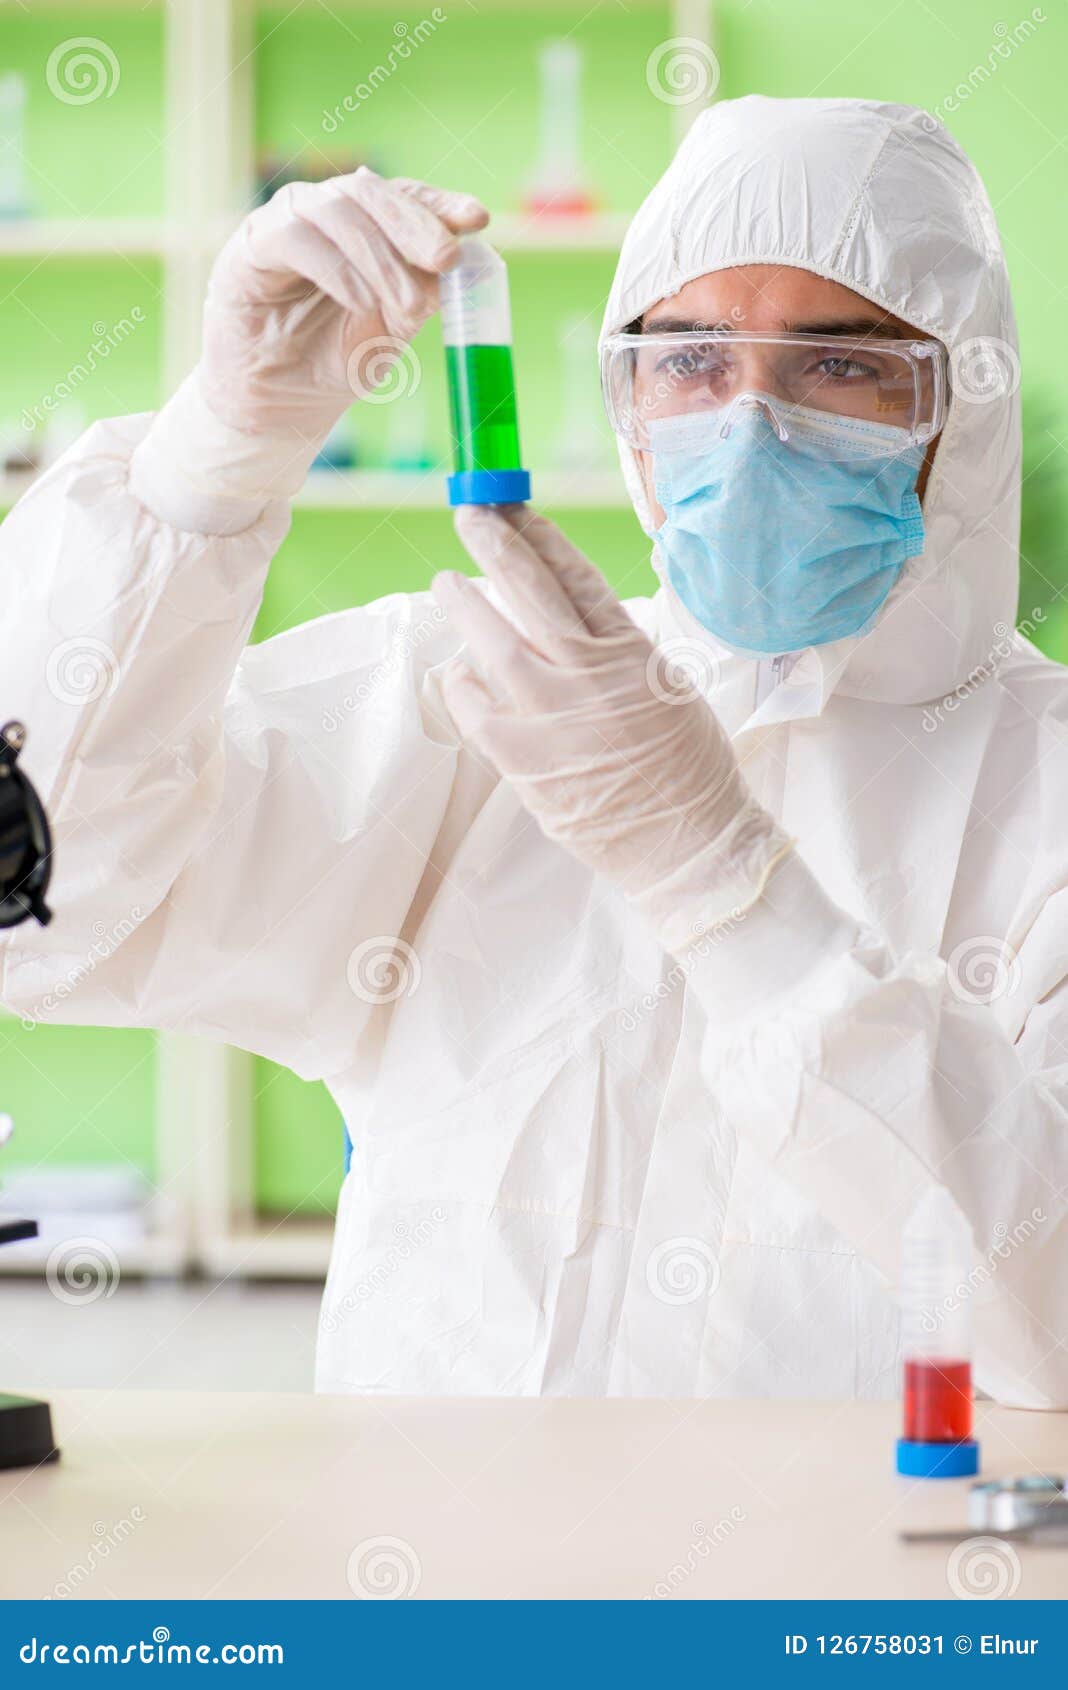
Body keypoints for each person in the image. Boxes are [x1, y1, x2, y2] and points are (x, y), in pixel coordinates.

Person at [0, 96, 1065, 1403]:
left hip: (856, 1596)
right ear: (624, 398)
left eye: (838, 366)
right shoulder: (474, 700)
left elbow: (1050, 1318)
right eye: (690, 361)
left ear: (962, 405)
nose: (746, 427)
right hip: (446, 1584)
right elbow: (43, 916)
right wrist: (205, 470)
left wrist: (728, 885)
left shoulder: (1046, 791)